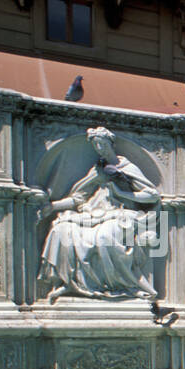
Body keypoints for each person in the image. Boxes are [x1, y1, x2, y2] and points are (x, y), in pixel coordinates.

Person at [38, 127, 162, 301]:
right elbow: (78, 198)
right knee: (61, 229)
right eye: (96, 146)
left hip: (120, 214)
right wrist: (53, 206)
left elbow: (152, 195)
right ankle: (69, 284)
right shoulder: (97, 170)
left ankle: (124, 285)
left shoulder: (127, 167)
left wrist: (121, 193)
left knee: (106, 236)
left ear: (110, 144)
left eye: (102, 144)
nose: (99, 149)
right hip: (93, 214)